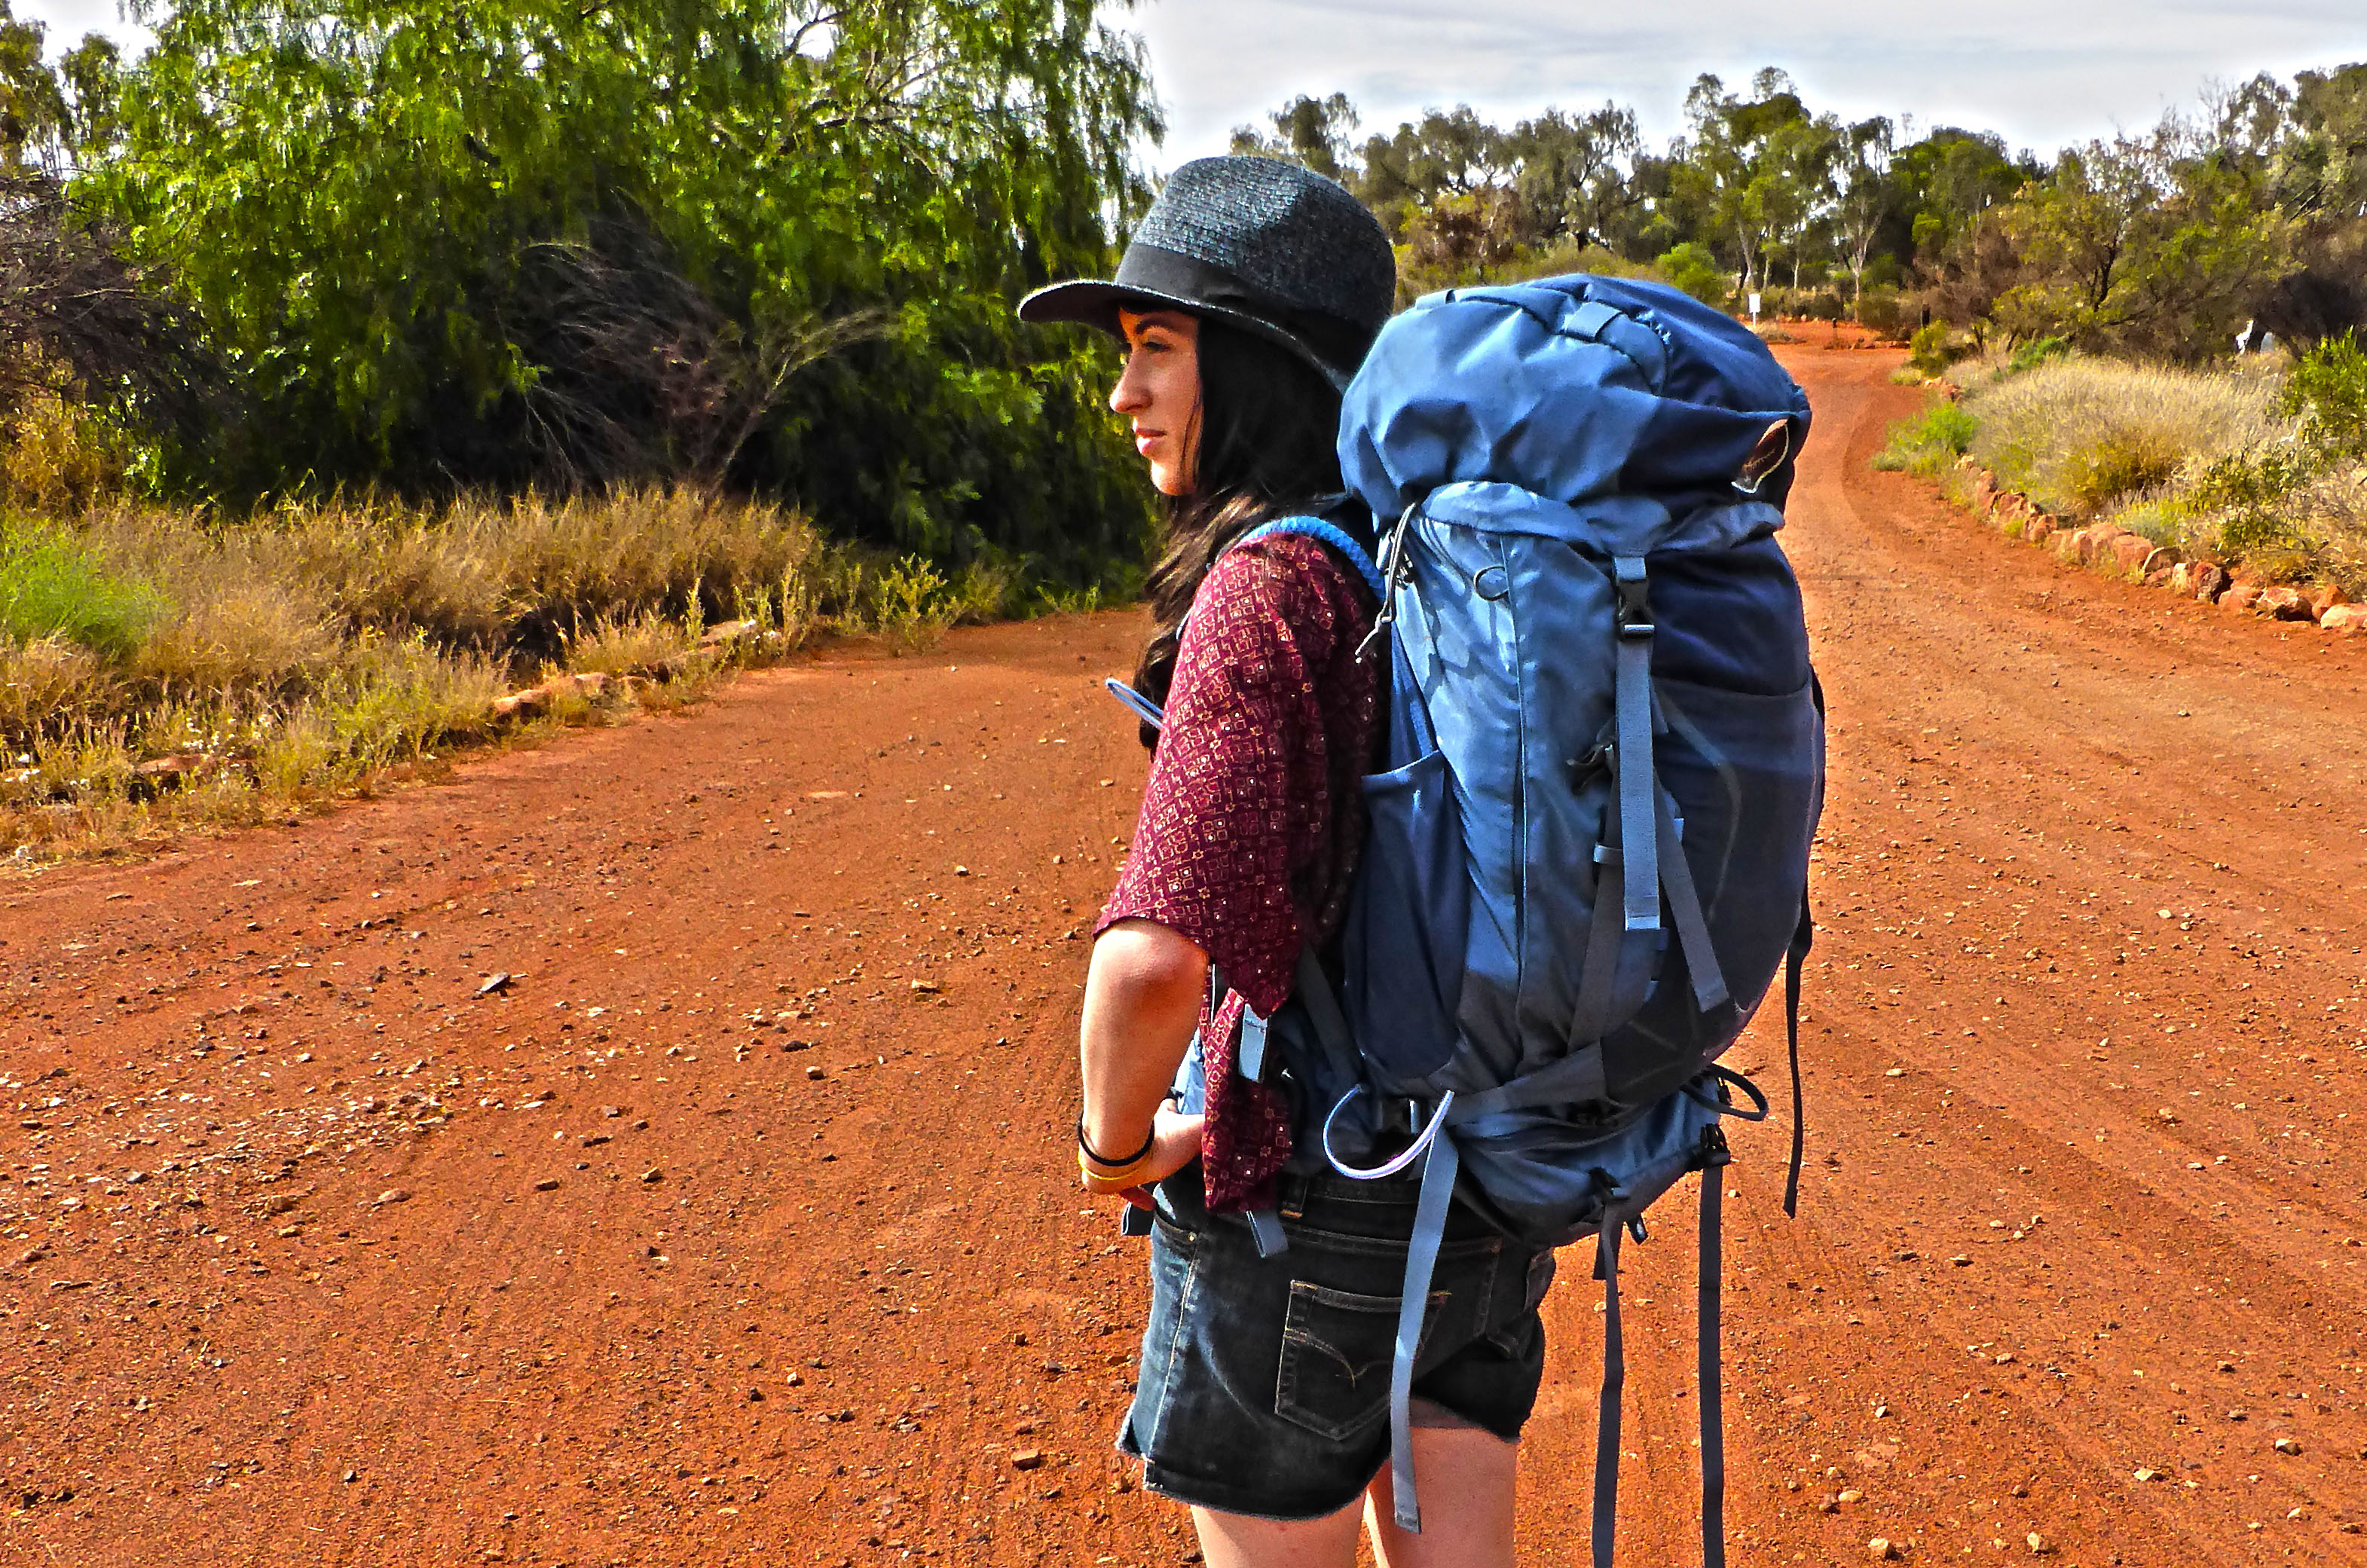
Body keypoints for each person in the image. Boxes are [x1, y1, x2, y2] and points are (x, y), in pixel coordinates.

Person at [1019, 157, 1555, 1568]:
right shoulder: (1424, 559)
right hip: (1476, 1189)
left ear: (1250, 366)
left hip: (1299, 1211)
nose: (1122, 394)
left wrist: (1114, 1149)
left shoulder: (1262, 590)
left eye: (1155, 352)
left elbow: (1151, 961)